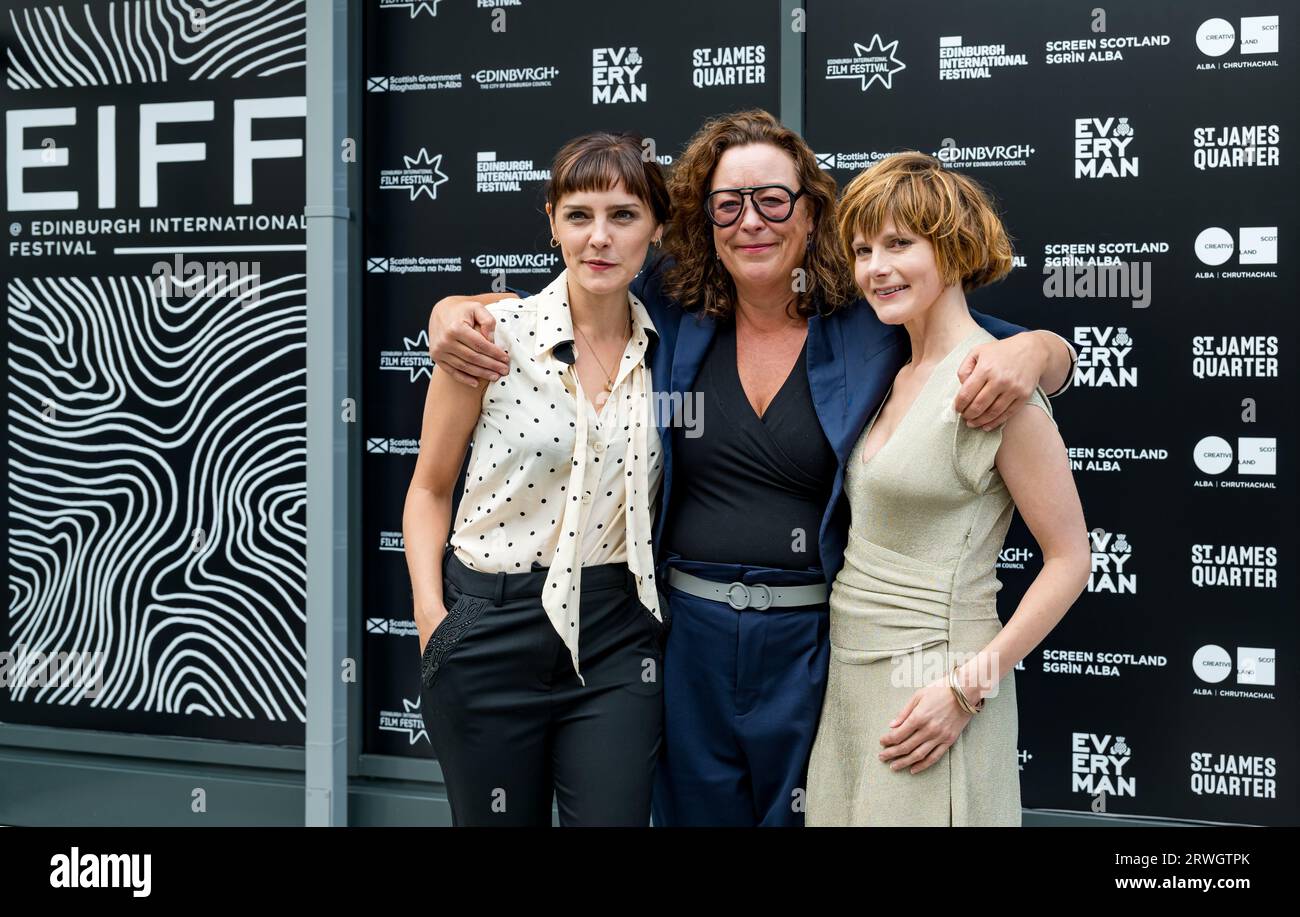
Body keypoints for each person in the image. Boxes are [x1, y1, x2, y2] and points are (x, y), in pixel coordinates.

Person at [426, 110, 1077, 827]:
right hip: (684, 644)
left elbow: (991, 345)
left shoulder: (863, 321)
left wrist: (1042, 351)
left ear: (810, 213)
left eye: (773, 200)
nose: (751, 221)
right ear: (704, 220)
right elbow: (574, 291)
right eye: (728, 204)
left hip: (809, 649)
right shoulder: (674, 313)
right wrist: (452, 308)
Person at [804, 152, 1090, 826]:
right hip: (851, 684)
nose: (877, 267)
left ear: (955, 250)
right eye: (863, 249)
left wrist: (967, 690)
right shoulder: (890, 373)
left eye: (900, 244)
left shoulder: (999, 389)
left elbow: (1070, 559)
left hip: (937, 688)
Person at [402, 131, 671, 826]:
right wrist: (434, 621)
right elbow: (430, 488)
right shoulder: (491, 337)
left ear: (657, 227)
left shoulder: (672, 344)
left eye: (623, 215)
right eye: (579, 215)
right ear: (551, 221)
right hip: (489, 625)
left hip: (618, 636)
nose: (599, 237)